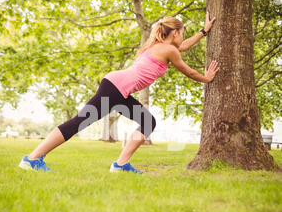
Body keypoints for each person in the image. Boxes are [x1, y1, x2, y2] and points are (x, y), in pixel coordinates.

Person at [18, 11, 219, 174]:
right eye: (182, 32)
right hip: (115, 88)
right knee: (79, 122)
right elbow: (188, 70)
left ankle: (121, 165)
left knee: (148, 122)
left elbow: (181, 47)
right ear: (174, 32)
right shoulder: (168, 50)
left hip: (118, 89)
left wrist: (204, 31)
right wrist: (206, 78)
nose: (182, 37)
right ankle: (32, 158)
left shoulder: (158, 46)